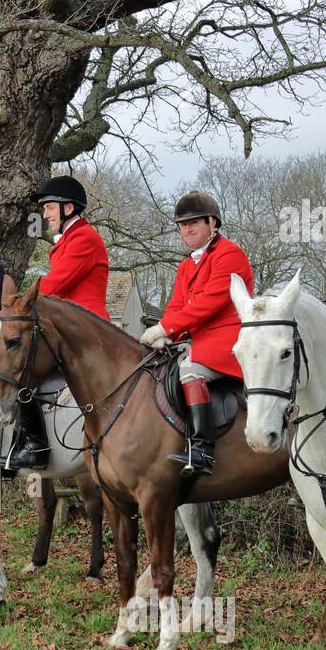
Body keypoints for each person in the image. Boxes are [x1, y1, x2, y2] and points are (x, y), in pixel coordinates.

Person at [0, 175, 110, 472]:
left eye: (49, 208)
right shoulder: (67, 241)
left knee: (26, 370)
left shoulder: (84, 238)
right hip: (67, 329)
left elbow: (54, 286)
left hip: (86, 330)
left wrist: (17, 303)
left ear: (68, 209)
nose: (44, 215)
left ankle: (36, 445)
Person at [140, 192, 254, 476]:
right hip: (196, 340)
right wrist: (165, 333)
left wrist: (166, 328)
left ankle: (202, 448)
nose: (187, 229)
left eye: (194, 223)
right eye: (182, 225)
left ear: (212, 223)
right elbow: (177, 305)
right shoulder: (186, 265)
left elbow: (210, 303)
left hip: (229, 338)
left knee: (190, 369)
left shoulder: (230, 255)